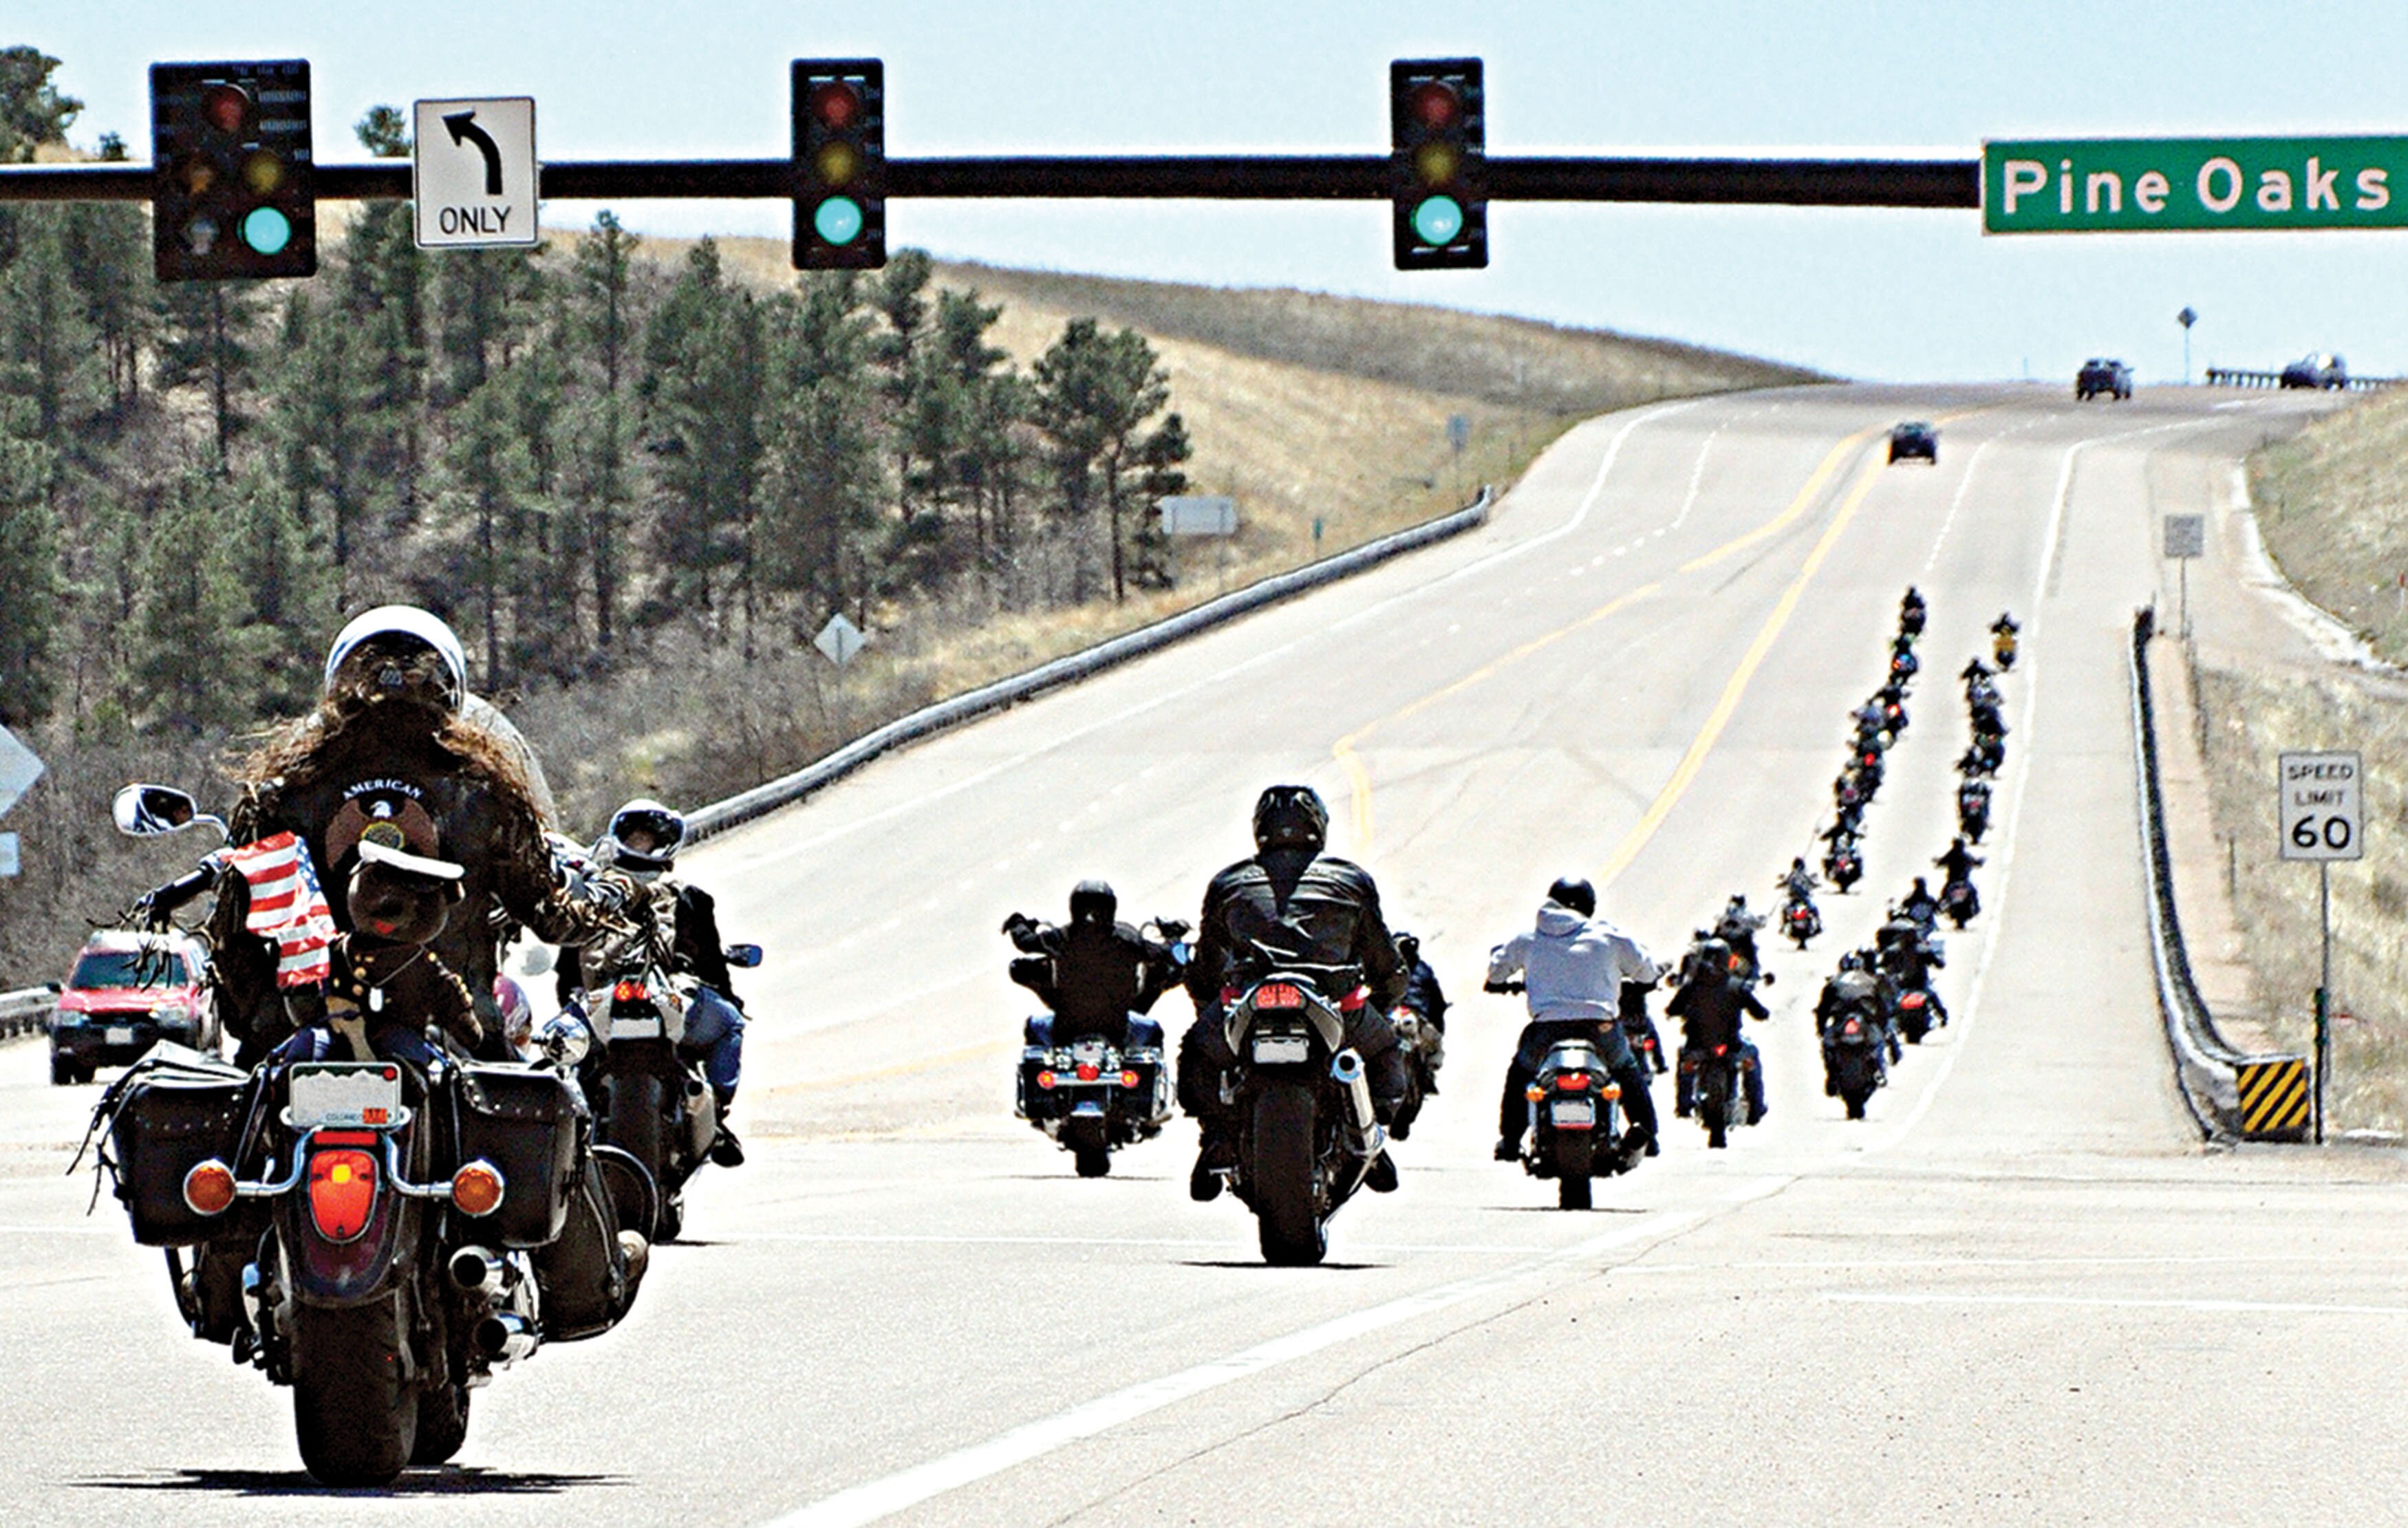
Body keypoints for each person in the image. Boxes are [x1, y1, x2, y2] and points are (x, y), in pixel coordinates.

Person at [197, 605, 647, 1344]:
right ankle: (583, 1288)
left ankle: (227, 1290)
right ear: (452, 686)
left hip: (310, 1024)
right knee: (551, 1109)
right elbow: (552, 916)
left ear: (340, 686)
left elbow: (235, 936)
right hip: (454, 1029)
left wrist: (262, 1023)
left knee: (247, 1123)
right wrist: (610, 894)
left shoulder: (282, 790)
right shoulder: (482, 787)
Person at [1179, 785, 1407, 1201]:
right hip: (1330, 999)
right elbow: (1384, 962)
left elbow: (1204, 968)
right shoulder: (1350, 879)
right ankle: (1374, 1135)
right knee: (1386, 1048)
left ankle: (1214, 1138)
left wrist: (1207, 1005)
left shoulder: (1228, 882)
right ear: (1318, 826)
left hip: (1253, 998)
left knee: (1198, 1050)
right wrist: (1385, 1000)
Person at [559, 799, 749, 1167]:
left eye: (645, 838)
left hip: (601, 1000)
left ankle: (569, 1120)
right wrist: (729, 998)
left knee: (565, 1051)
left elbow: (567, 971)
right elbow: (711, 966)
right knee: (731, 1023)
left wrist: (574, 1000)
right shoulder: (688, 895)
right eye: (639, 838)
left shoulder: (593, 894)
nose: (642, 844)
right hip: (673, 996)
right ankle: (719, 1116)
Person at [1485, 876, 1662, 1165]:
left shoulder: (1528, 938)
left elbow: (1495, 974)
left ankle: (1510, 1140)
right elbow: (1646, 971)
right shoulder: (1608, 935)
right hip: (1600, 1027)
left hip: (1546, 1030)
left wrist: (1503, 980)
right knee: (1627, 1071)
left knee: (1520, 1074)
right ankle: (1649, 1138)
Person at [1003, 879, 1185, 1048]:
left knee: (1034, 1027)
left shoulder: (1062, 938)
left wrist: (1017, 923)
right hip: (1117, 1031)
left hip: (1065, 1031)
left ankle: (1032, 1083)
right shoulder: (1127, 940)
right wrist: (1173, 935)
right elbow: (1170, 954)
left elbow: (1025, 942)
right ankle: (1156, 1083)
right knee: (1153, 1031)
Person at [1668, 937, 1770, 1124]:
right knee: (1752, 1056)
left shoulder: (1691, 987)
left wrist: (1676, 1012)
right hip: (1732, 1044)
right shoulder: (1737, 986)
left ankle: (1683, 1104)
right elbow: (1759, 1012)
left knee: (1686, 1063)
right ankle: (1756, 1106)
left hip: (1697, 1044)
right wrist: (1763, 1013)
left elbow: (1673, 1009)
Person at [1386, 931, 1448, 1139]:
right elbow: (1438, 1004)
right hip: (1395, 1019)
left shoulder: (1416, 970)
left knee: (1433, 1050)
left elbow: (1437, 1004)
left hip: (1413, 1020)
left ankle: (1428, 1072)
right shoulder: (1388, 967)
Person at [1814, 951, 1895, 1085]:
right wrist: (1882, 1026)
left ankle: (1832, 1074)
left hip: (1846, 1021)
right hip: (1862, 1021)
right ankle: (1877, 1070)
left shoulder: (1834, 983)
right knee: (1878, 1041)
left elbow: (1823, 1009)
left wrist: (1821, 1029)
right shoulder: (1871, 980)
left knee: (1828, 1045)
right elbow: (1882, 1008)